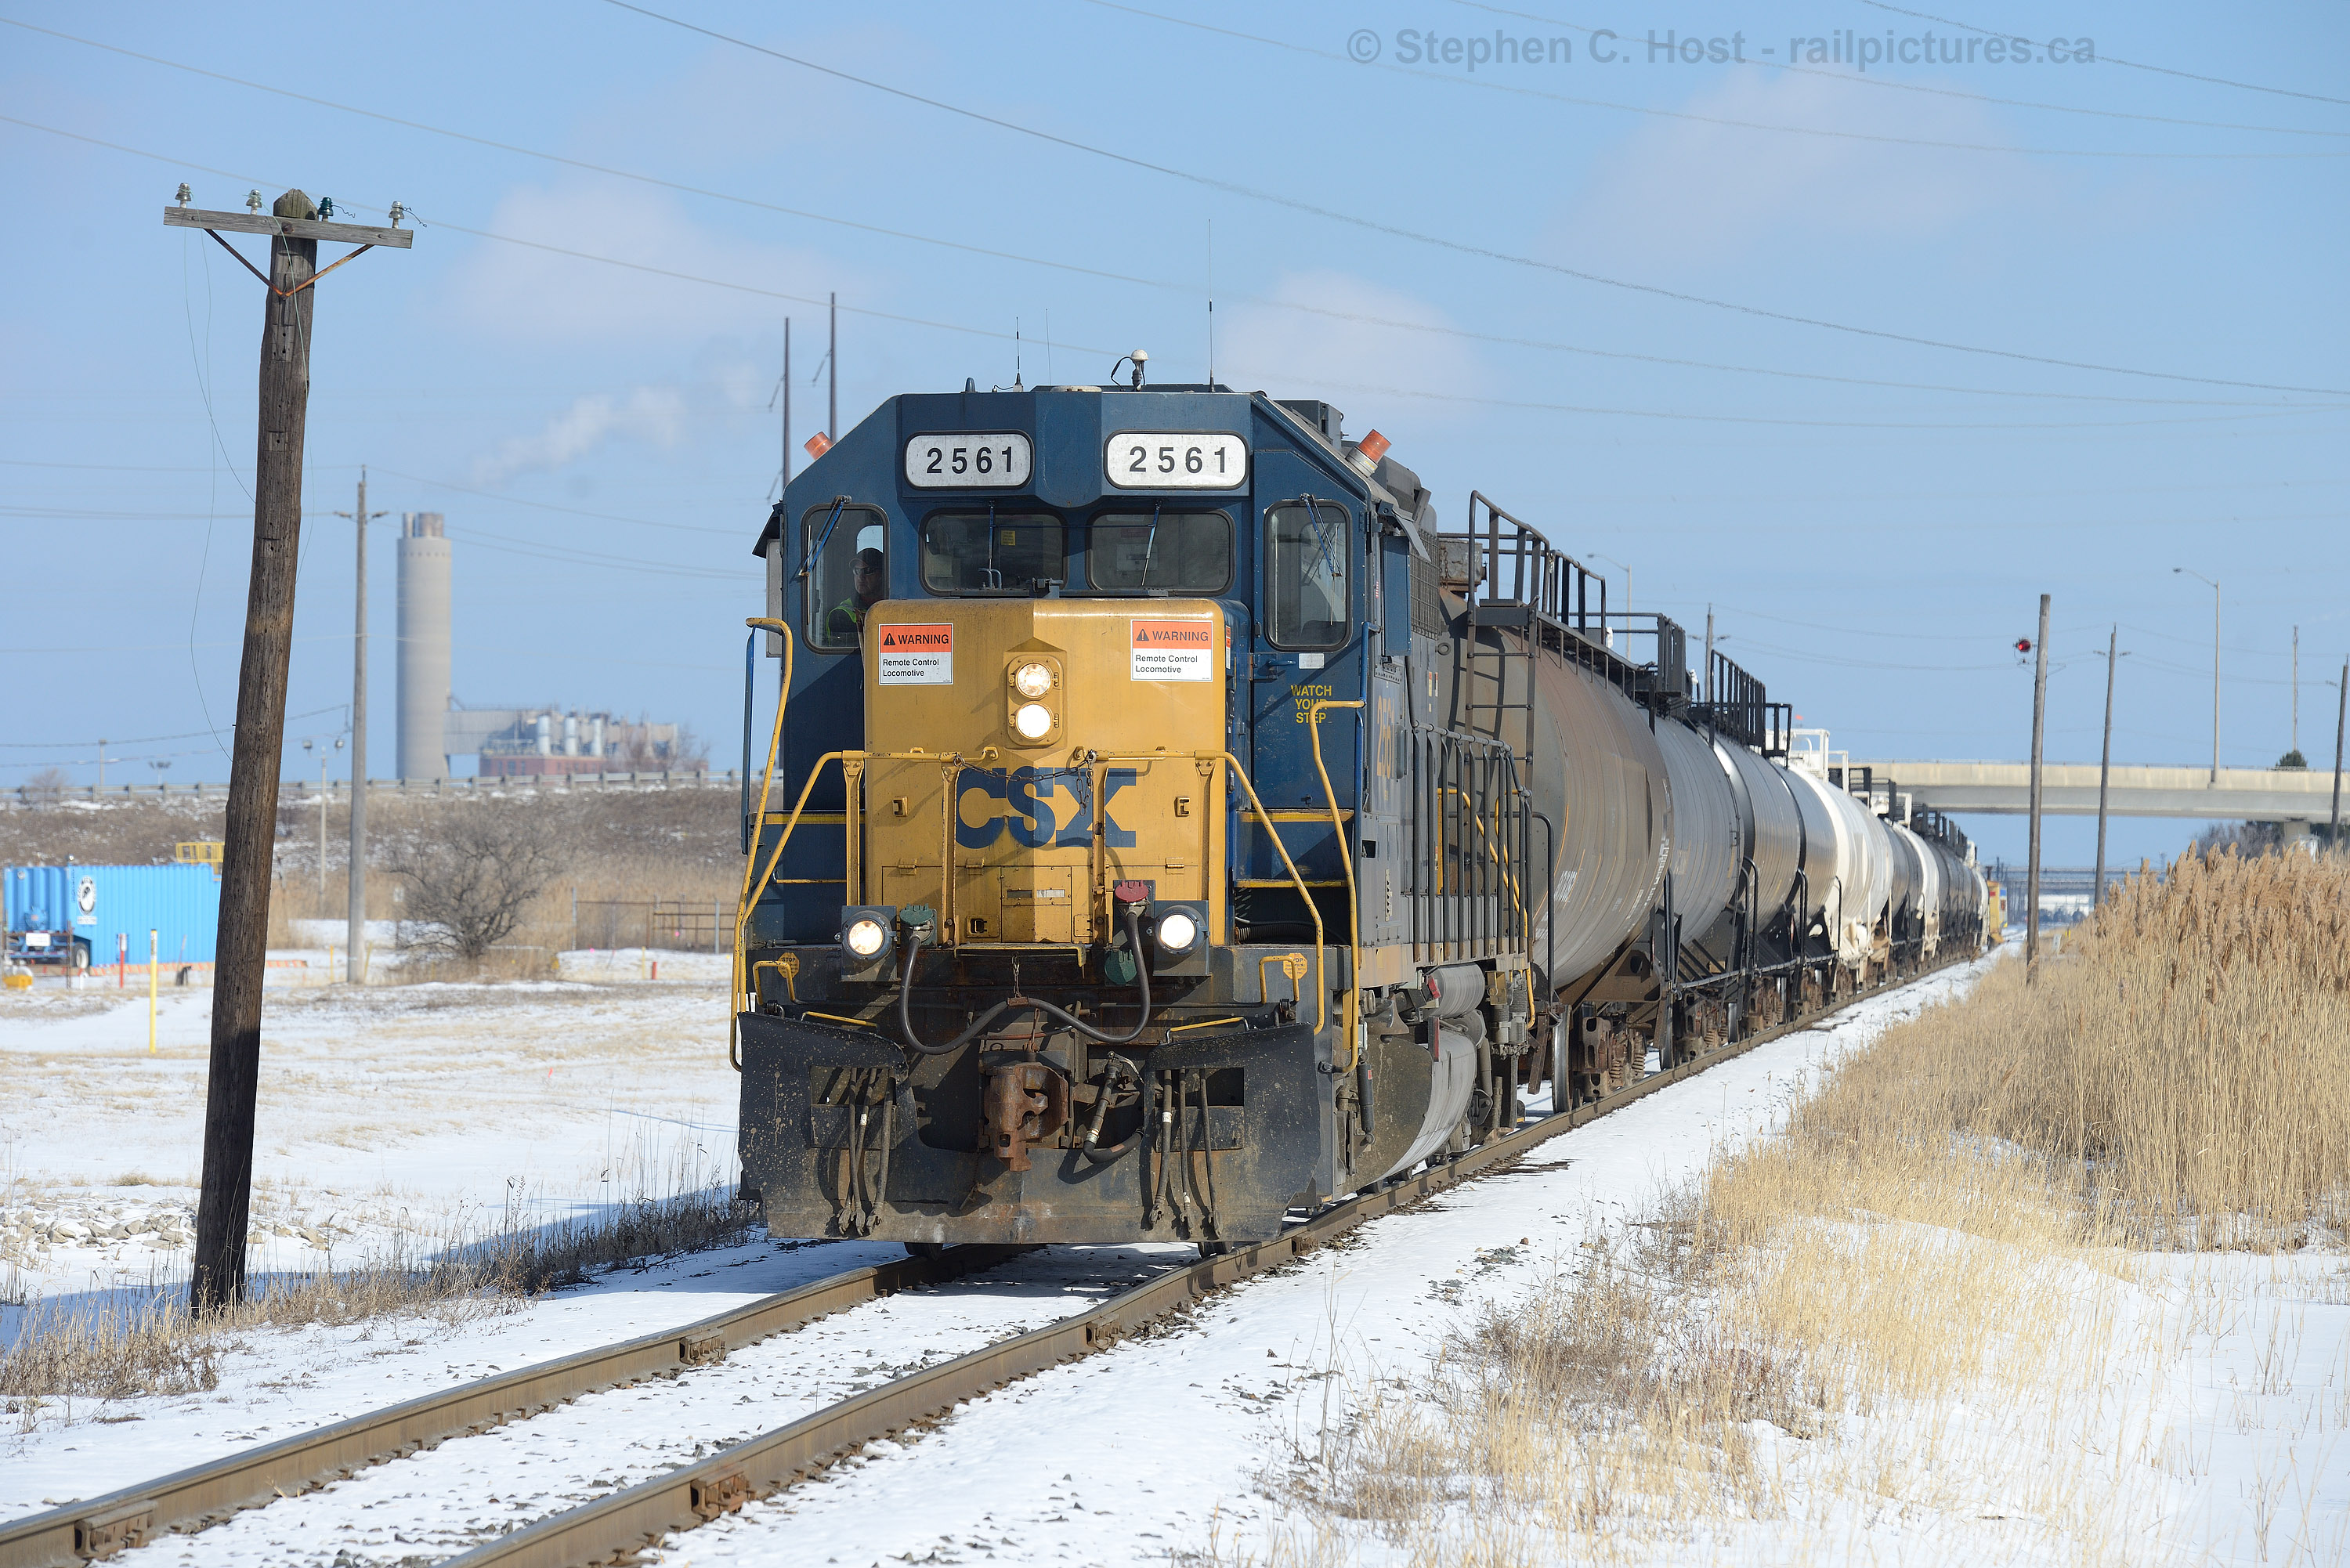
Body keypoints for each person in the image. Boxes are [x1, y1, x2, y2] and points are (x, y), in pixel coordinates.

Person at [828, 547, 885, 644]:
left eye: (868, 570)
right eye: (857, 571)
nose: (860, 577)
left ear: (882, 574)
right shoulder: (840, 616)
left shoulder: (893, 608)